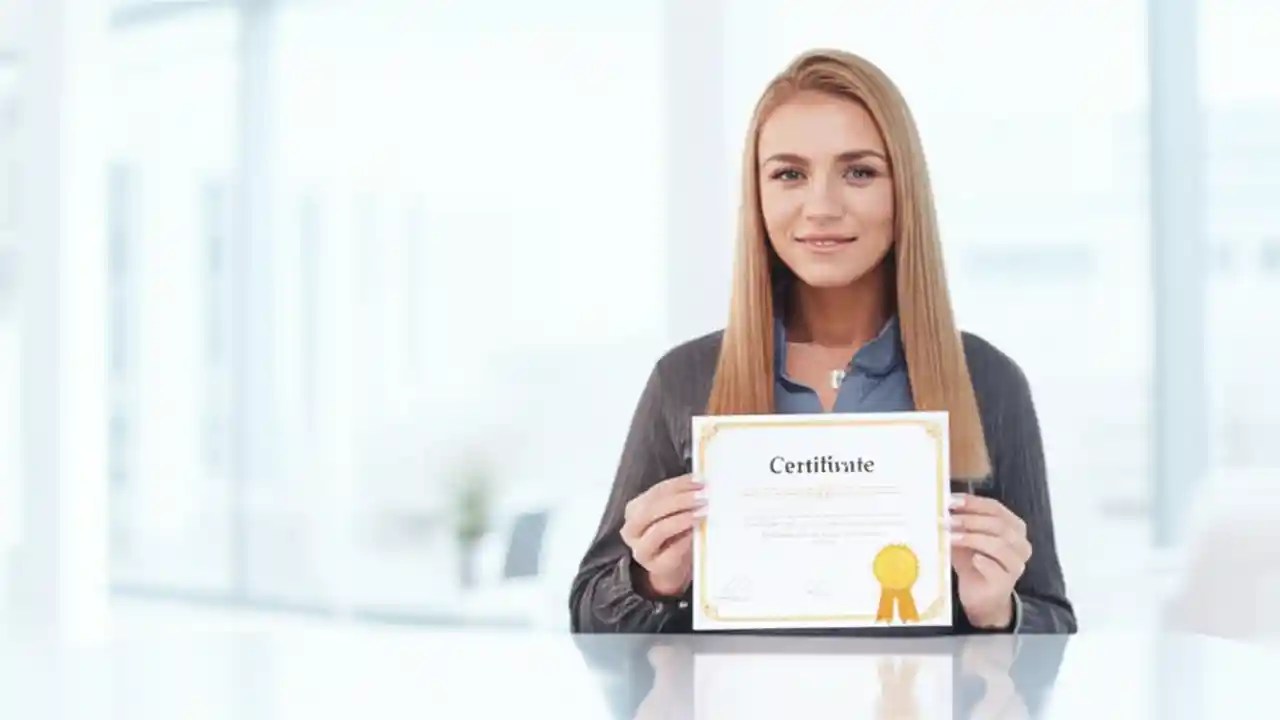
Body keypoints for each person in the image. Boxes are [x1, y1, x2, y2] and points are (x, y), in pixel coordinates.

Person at [569, 48, 1076, 634]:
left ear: (904, 190)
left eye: (859, 172)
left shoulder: (985, 380)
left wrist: (999, 612)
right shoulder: (685, 379)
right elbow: (588, 614)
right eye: (789, 174)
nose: (822, 207)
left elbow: (1053, 620)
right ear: (757, 195)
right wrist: (649, 580)